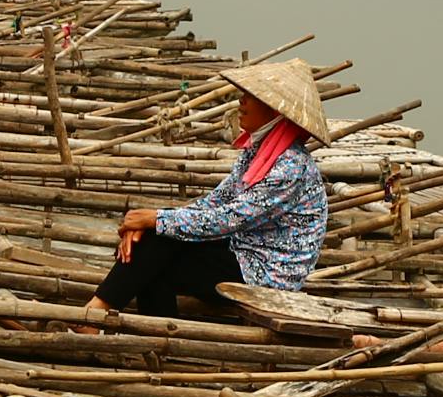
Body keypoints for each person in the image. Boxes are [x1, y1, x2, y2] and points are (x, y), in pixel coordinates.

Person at [85, 59, 332, 322]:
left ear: (274, 111)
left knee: (155, 248)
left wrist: (157, 219)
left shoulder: (291, 166)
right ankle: (148, 336)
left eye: (251, 97)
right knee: (152, 245)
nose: (241, 102)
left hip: (267, 274)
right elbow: (216, 202)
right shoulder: (257, 152)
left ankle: (96, 315)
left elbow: (230, 218)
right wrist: (153, 222)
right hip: (242, 252)